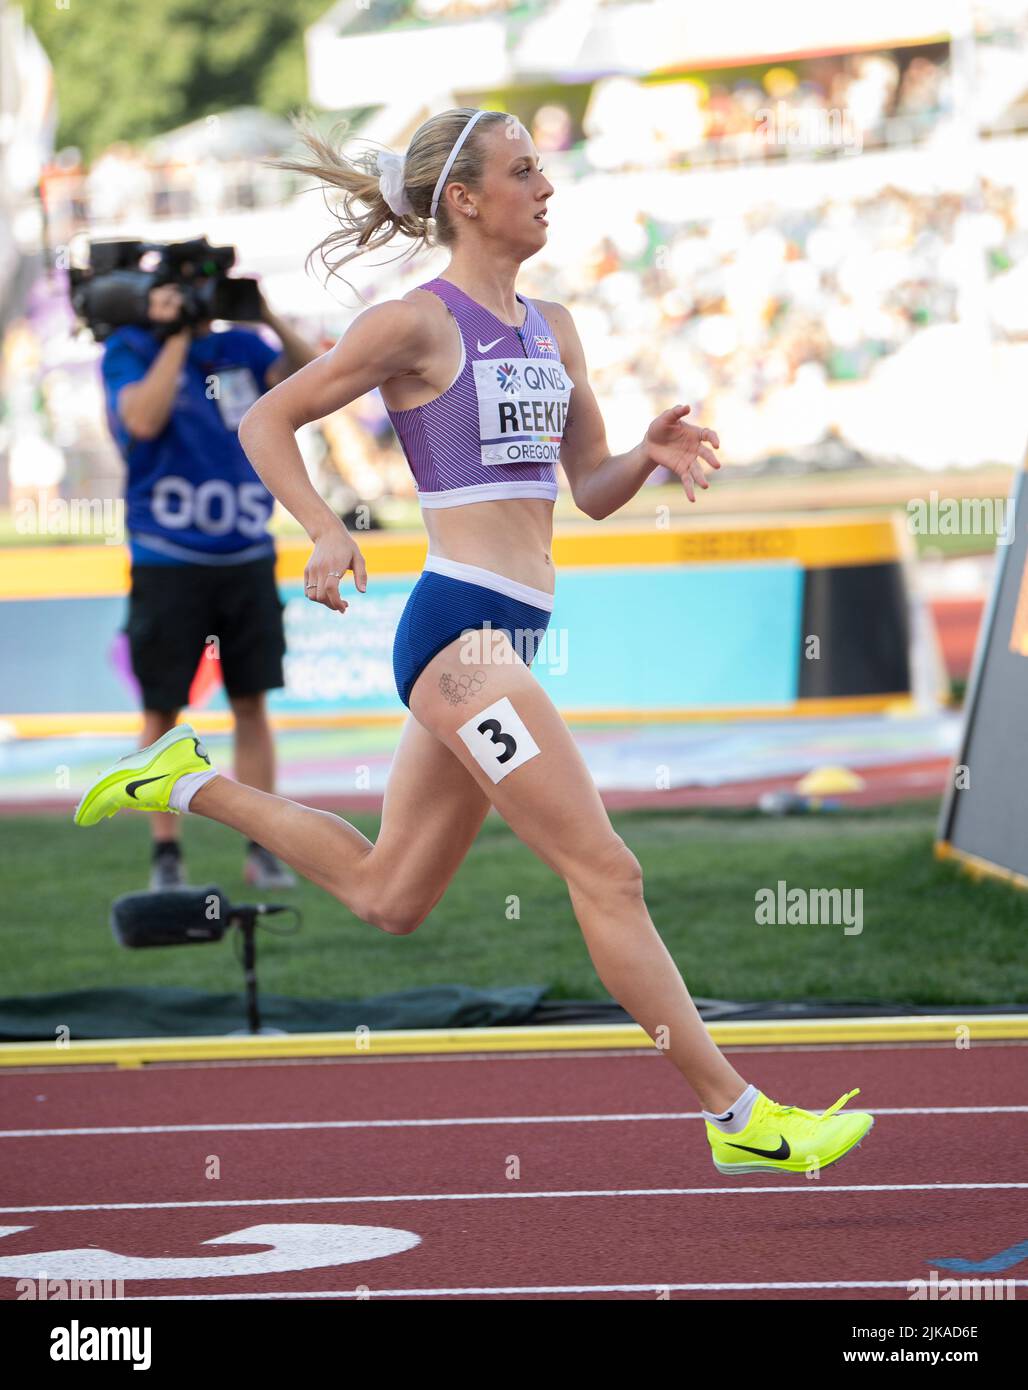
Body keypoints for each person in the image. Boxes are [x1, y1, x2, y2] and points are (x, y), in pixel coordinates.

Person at [75, 109, 873, 1176]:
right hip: (459, 643)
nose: (545, 186)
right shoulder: (414, 323)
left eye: (542, 169)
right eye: (522, 171)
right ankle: (738, 1115)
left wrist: (640, 453)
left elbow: (583, 493)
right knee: (609, 871)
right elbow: (266, 419)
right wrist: (322, 528)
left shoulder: (554, 325)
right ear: (464, 198)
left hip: (506, 639)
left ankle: (188, 784)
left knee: (388, 895)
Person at [101, 275, 319, 889]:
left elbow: (321, 381)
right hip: (168, 559)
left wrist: (268, 314)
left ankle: (263, 845)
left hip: (245, 555)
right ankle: (166, 853)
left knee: (251, 703)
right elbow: (142, 422)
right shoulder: (129, 347)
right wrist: (172, 336)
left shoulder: (244, 347)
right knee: (161, 707)